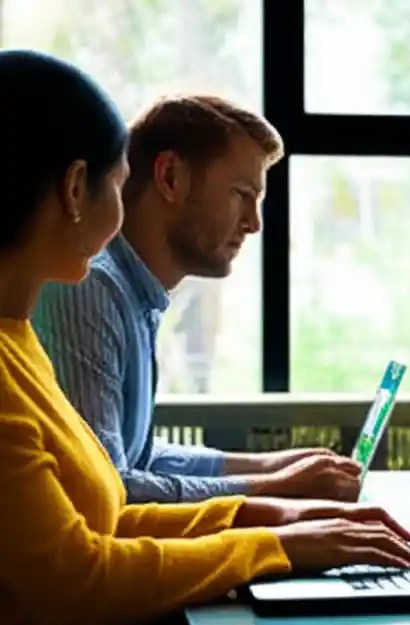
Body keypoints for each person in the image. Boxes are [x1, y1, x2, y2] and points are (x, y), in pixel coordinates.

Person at [0, 49, 410, 625]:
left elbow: (102, 503)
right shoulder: (73, 302)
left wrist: (273, 512)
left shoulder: (18, 336)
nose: (253, 224)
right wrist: (273, 541)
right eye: (117, 180)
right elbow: (78, 578)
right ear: (75, 191)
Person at [32, 93, 360, 504]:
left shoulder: (136, 295)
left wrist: (274, 466)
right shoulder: (91, 288)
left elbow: (141, 455)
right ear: (170, 177)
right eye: (242, 194)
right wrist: (275, 488)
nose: (254, 223)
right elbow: (111, 489)